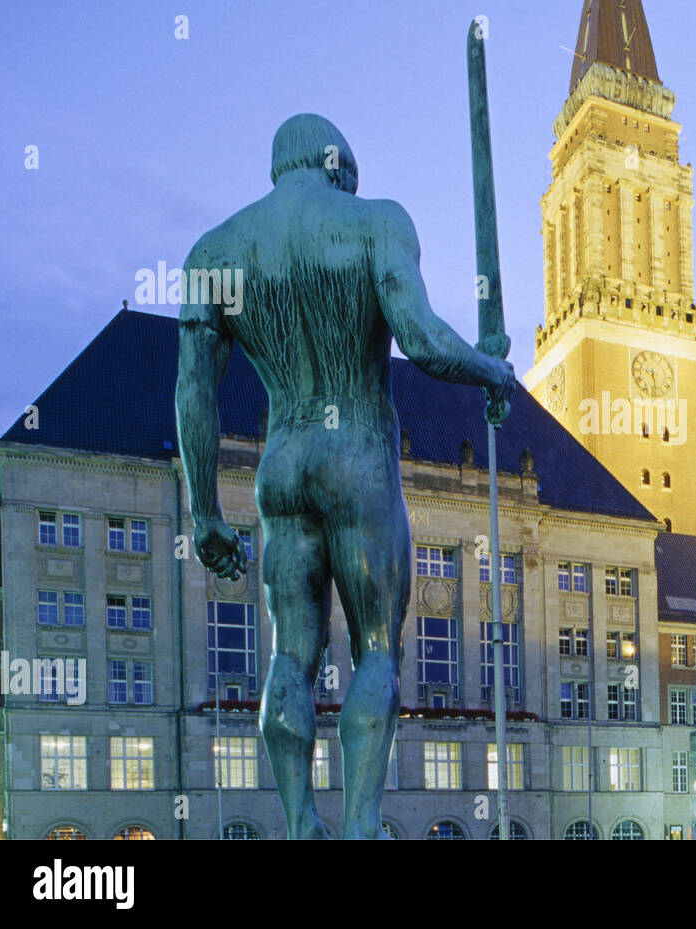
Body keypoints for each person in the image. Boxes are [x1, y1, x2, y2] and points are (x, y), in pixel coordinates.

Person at [175, 113, 514, 839]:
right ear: (340, 168)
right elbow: (422, 340)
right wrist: (493, 368)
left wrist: (203, 510)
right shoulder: (376, 222)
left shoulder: (215, 251)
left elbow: (194, 389)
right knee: (378, 649)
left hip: (283, 463)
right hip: (356, 452)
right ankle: (360, 824)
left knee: (291, 652)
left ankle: (300, 822)